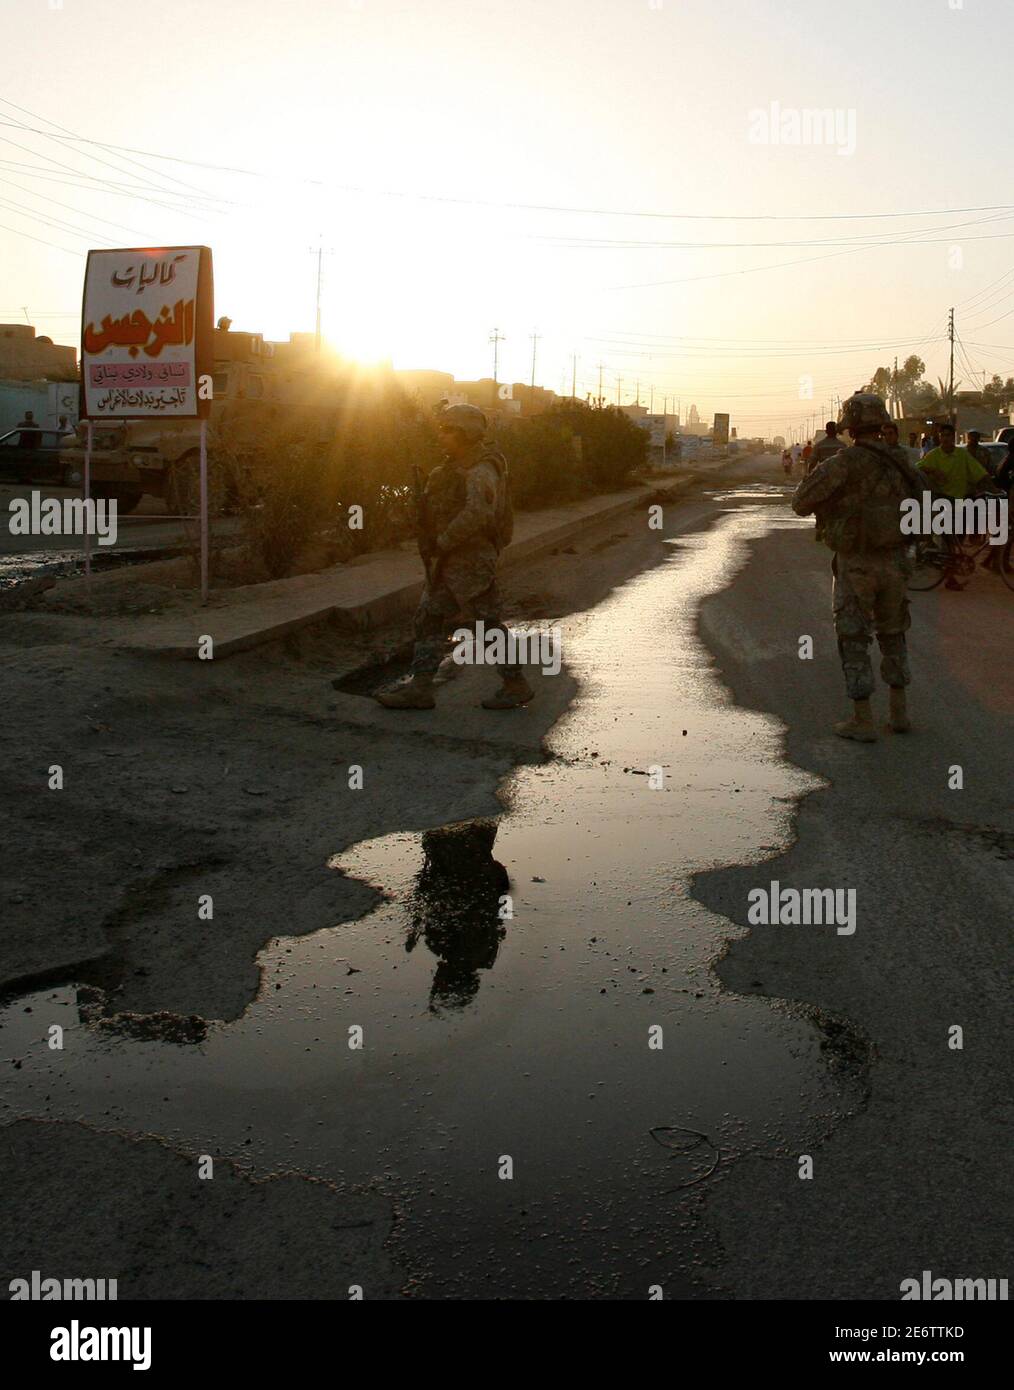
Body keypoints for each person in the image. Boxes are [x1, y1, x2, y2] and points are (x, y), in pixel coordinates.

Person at [376, 403, 535, 711]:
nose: (442, 435)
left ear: (466, 433)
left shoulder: (481, 470)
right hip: (456, 559)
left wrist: (443, 541)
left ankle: (510, 684)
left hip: (470, 561)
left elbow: (478, 513)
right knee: (444, 619)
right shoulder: (456, 467)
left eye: (448, 430)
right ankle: (428, 687)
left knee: (467, 622)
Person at [792, 392, 926, 741]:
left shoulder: (844, 462)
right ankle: (899, 713)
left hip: (857, 563)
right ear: (881, 422)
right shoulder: (904, 460)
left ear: (850, 425)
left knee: (853, 637)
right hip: (897, 562)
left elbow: (801, 502)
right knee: (894, 633)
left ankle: (862, 719)